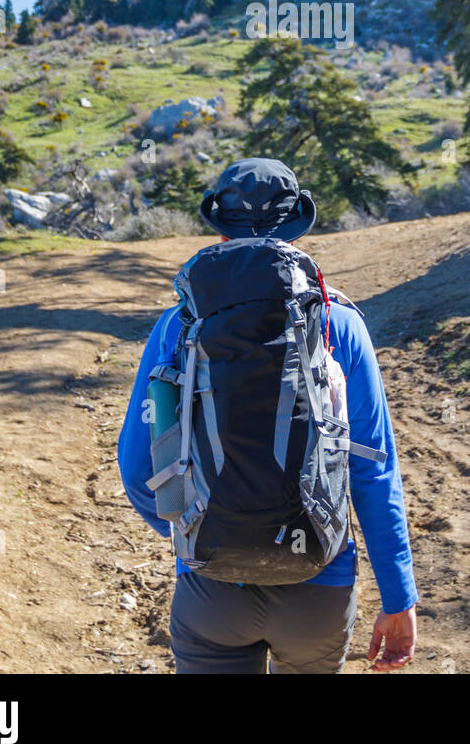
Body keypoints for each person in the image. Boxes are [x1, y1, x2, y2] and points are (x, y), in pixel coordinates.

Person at [118, 157, 417, 674]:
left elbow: (137, 465)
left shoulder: (177, 325)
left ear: (220, 228)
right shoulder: (338, 325)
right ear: (297, 228)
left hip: (213, 589)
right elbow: (373, 470)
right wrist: (398, 597)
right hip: (318, 587)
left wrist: (196, 531)